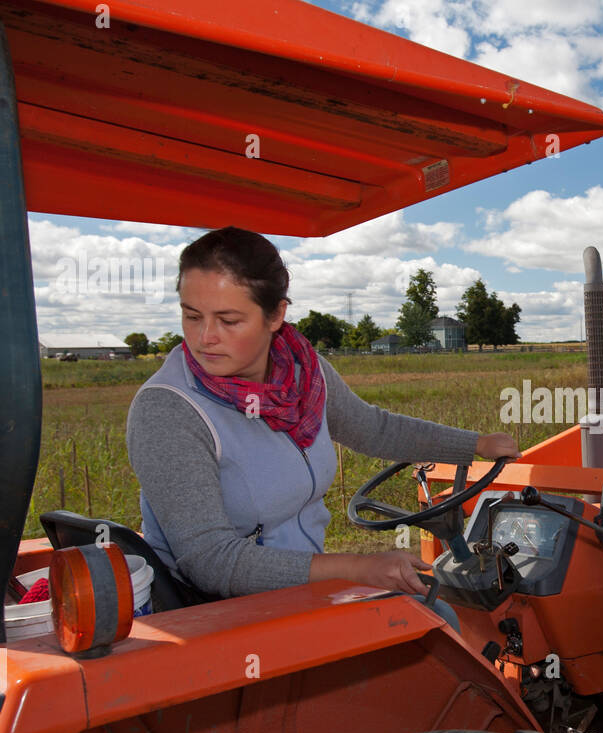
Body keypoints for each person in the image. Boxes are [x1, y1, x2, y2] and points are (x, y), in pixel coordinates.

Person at [125, 226, 517, 609]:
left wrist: (474, 444)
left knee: (434, 614)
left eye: (228, 321)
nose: (204, 337)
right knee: (435, 618)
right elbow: (212, 561)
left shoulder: (304, 374)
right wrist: (354, 568)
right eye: (192, 316)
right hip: (215, 611)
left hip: (300, 590)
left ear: (275, 315)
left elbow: (372, 428)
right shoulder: (169, 409)